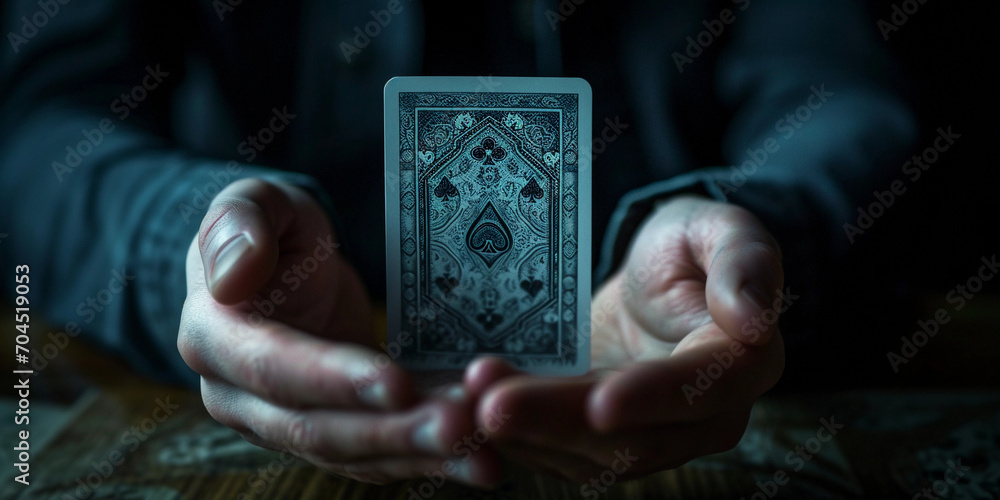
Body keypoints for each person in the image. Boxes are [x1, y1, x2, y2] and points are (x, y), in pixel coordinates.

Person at [0, 0, 915, 486]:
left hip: (693, 356)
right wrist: (193, 244)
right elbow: (36, 131)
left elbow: (839, 93)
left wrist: (757, 227)